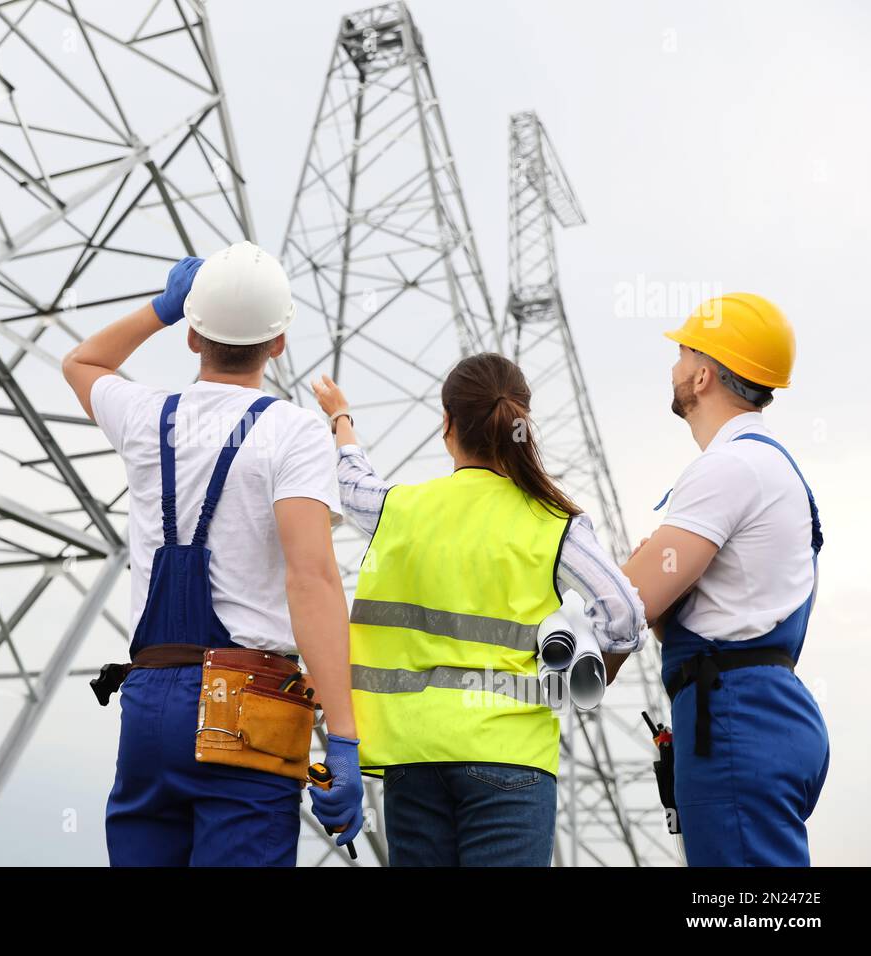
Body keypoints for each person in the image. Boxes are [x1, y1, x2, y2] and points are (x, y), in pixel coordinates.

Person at [62, 241, 363, 866]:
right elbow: (313, 582)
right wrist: (344, 738)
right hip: (248, 706)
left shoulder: (147, 416)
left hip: (149, 697)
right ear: (278, 344)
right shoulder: (295, 432)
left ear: (193, 337)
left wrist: (162, 308)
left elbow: (82, 363)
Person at [312, 353, 646, 867]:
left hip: (414, 754)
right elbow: (623, 615)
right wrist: (583, 677)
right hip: (510, 755)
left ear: (447, 423)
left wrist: (341, 420)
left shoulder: (401, 509)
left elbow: (352, 486)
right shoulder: (552, 520)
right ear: (520, 422)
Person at [610, 293, 828, 866]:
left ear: (703, 375)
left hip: (736, 719)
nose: (674, 368)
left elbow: (624, 603)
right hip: (758, 710)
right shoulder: (766, 465)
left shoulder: (729, 468)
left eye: (681, 356)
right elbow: (703, 619)